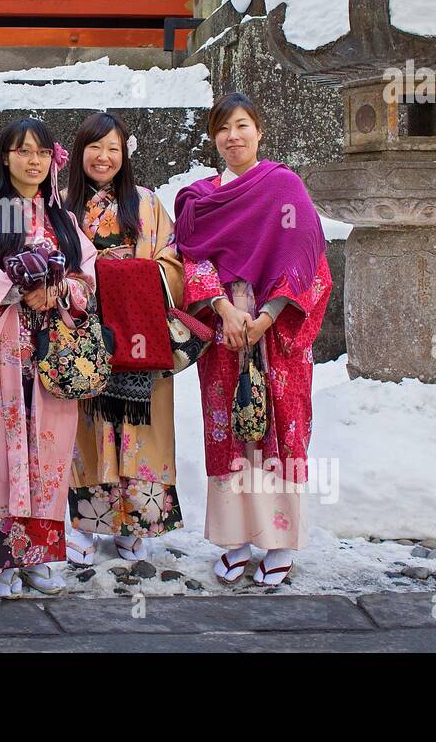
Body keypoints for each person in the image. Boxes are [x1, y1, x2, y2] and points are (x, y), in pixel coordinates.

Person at [174, 93, 331, 587]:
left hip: (274, 328)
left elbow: (307, 257)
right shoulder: (200, 198)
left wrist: (266, 317)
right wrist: (222, 309)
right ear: (213, 137)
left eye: (242, 126)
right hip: (224, 330)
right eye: (223, 128)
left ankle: (280, 541)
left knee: (278, 429)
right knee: (232, 431)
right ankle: (236, 537)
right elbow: (192, 258)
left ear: (259, 131)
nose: (233, 137)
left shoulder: (283, 186)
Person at [0, 117, 98, 598]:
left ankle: (38, 555)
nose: (33, 161)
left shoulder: (62, 219)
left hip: (50, 352)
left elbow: (87, 279)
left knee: (46, 454)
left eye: (41, 152)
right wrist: (16, 288)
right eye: (22, 151)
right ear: (4, 158)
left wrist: (56, 289)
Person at [64, 112, 184, 566]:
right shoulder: (63, 206)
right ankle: (87, 526)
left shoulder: (148, 204)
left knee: (142, 431)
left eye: (114, 148)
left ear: (124, 154)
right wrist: (96, 278)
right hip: (88, 335)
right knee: (88, 429)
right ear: (80, 153)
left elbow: (174, 262)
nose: (104, 157)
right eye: (96, 147)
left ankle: (137, 525)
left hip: (141, 334)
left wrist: (128, 272)